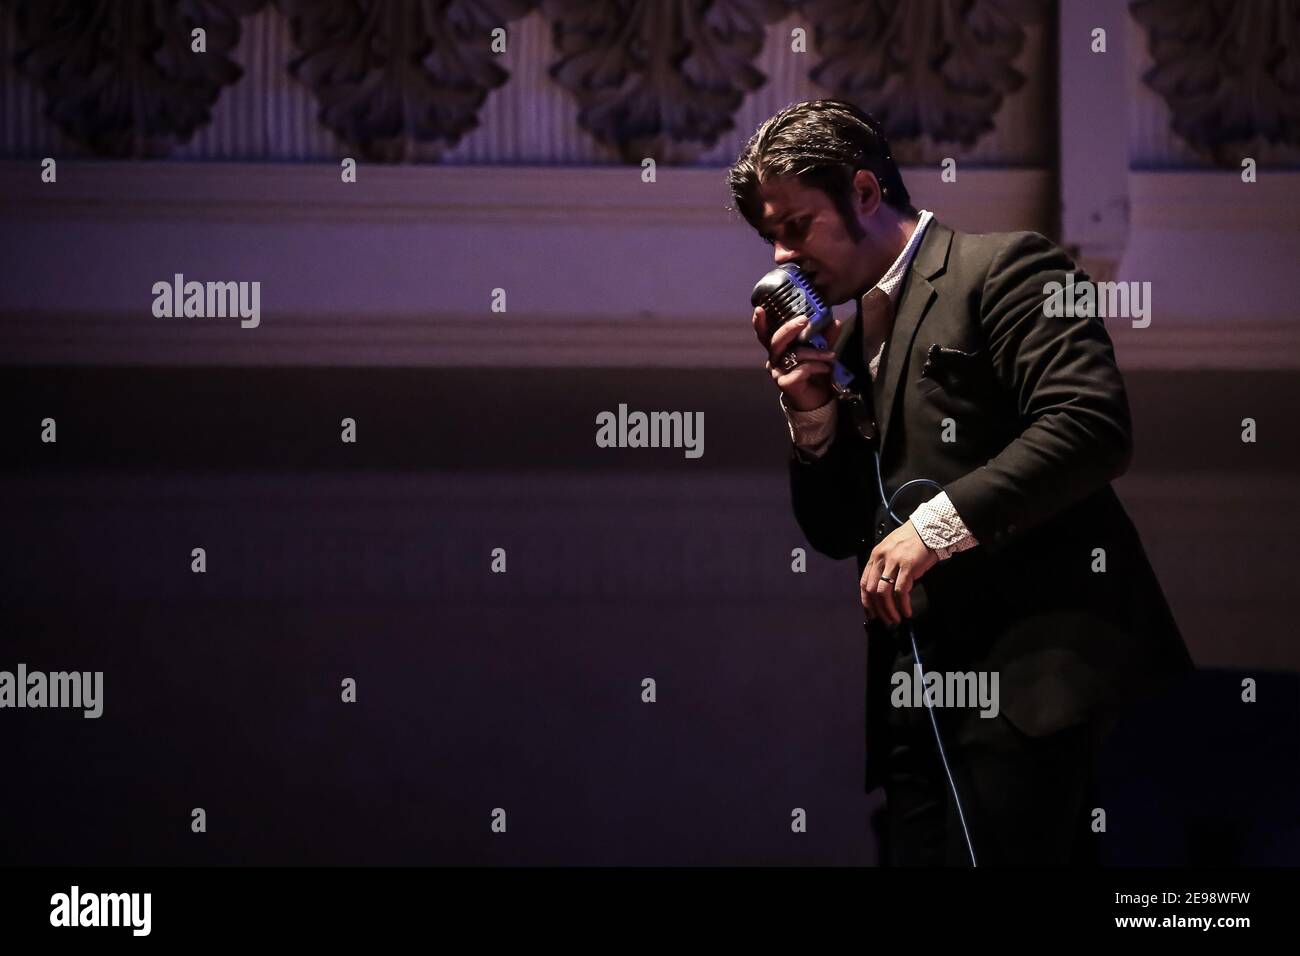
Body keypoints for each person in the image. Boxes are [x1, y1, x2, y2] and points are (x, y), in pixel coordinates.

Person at [727, 99, 1194, 866]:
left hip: (1042, 695)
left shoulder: (1006, 267)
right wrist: (810, 410)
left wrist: (935, 528)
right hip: (921, 714)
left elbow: (1090, 424)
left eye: (795, 226)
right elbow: (837, 530)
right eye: (769, 237)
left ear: (866, 192)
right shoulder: (839, 343)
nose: (781, 258)